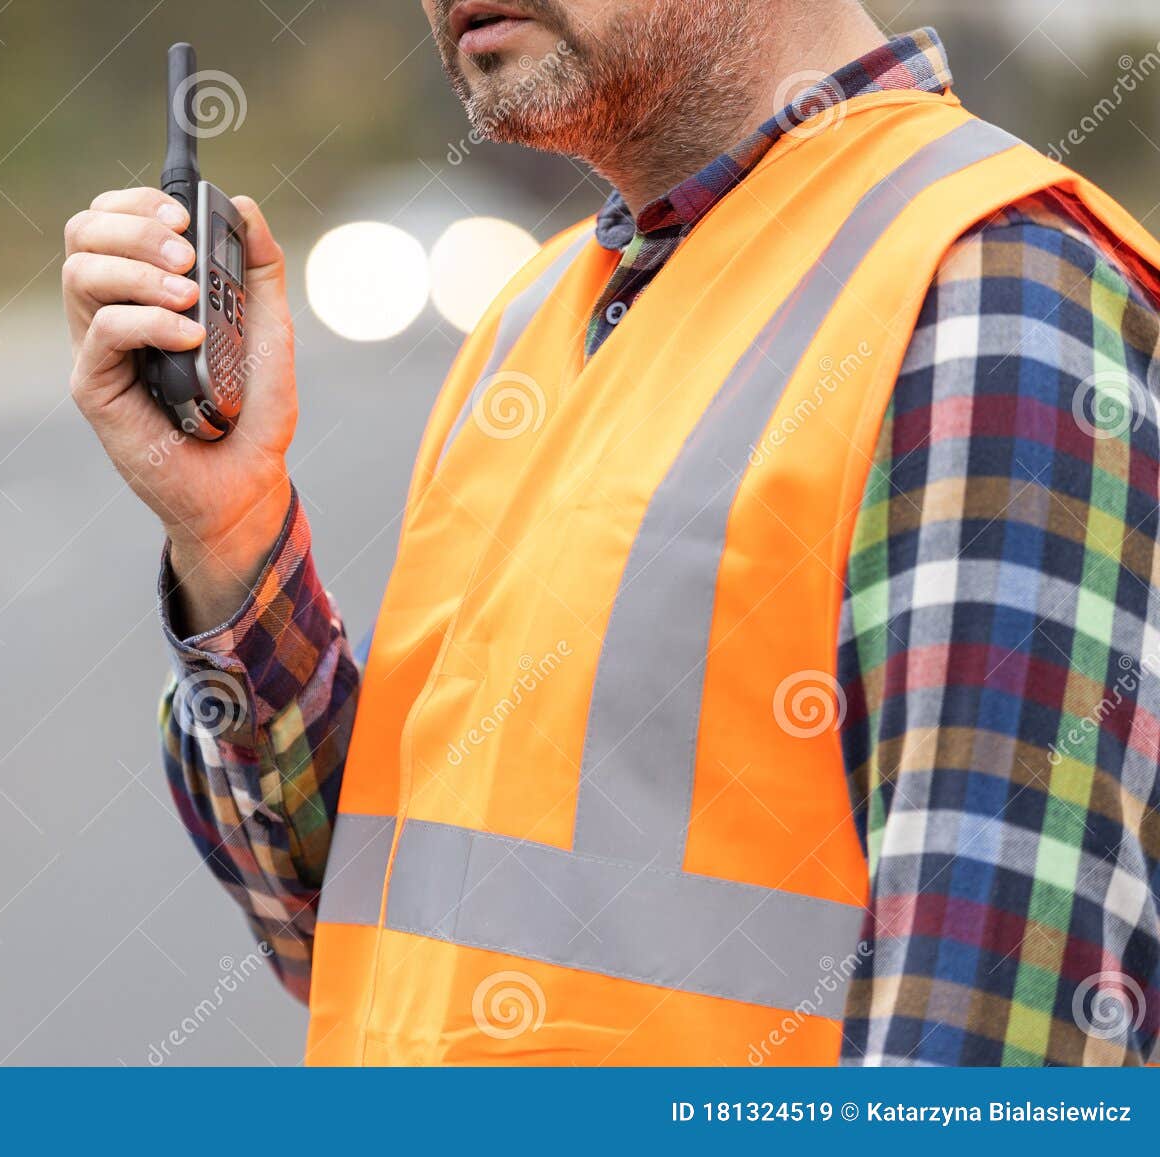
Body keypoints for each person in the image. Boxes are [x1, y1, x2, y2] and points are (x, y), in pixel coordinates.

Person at [60, 0, 1160, 1065]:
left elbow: (1002, 1058)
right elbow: (348, 927)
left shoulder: (990, 295)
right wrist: (231, 536)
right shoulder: (534, 317)